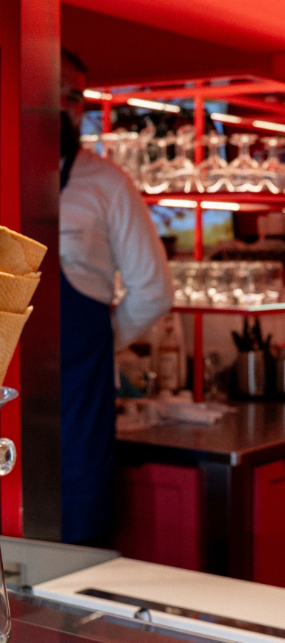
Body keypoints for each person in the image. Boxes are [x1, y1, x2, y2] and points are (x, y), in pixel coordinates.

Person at [57, 49, 174, 543]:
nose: (66, 106)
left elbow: (153, 289)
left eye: (74, 97)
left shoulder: (105, 182)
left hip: (76, 398)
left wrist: (97, 343)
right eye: (55, 91)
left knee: (75, 536)